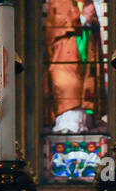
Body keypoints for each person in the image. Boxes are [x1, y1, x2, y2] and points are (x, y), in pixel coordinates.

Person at [46, 0, 104, 133]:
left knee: (87, 88)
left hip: (85, 54)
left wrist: (89, 20)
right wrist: (82, 19)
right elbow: (56, 25)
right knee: (68, 89)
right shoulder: (59, 2)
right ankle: (67, 125)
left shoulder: (88, 3)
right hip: (66, 55)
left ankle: (84, 123)